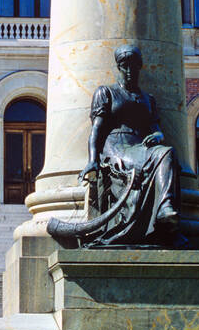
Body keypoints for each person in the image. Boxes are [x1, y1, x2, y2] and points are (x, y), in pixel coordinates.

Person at [49, 44, 181, 247]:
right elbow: (97, 130)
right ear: (118, 67)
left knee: (167, 152)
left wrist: (157, 136)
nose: (129, 72)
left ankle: (165, 209)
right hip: (116, 147)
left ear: (139, 68)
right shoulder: (106, 93)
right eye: (124, 66)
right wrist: (92, 160)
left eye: (133, 67)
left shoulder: (148, 99)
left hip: (141, 146)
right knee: (156, 157)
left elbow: (156, 129)